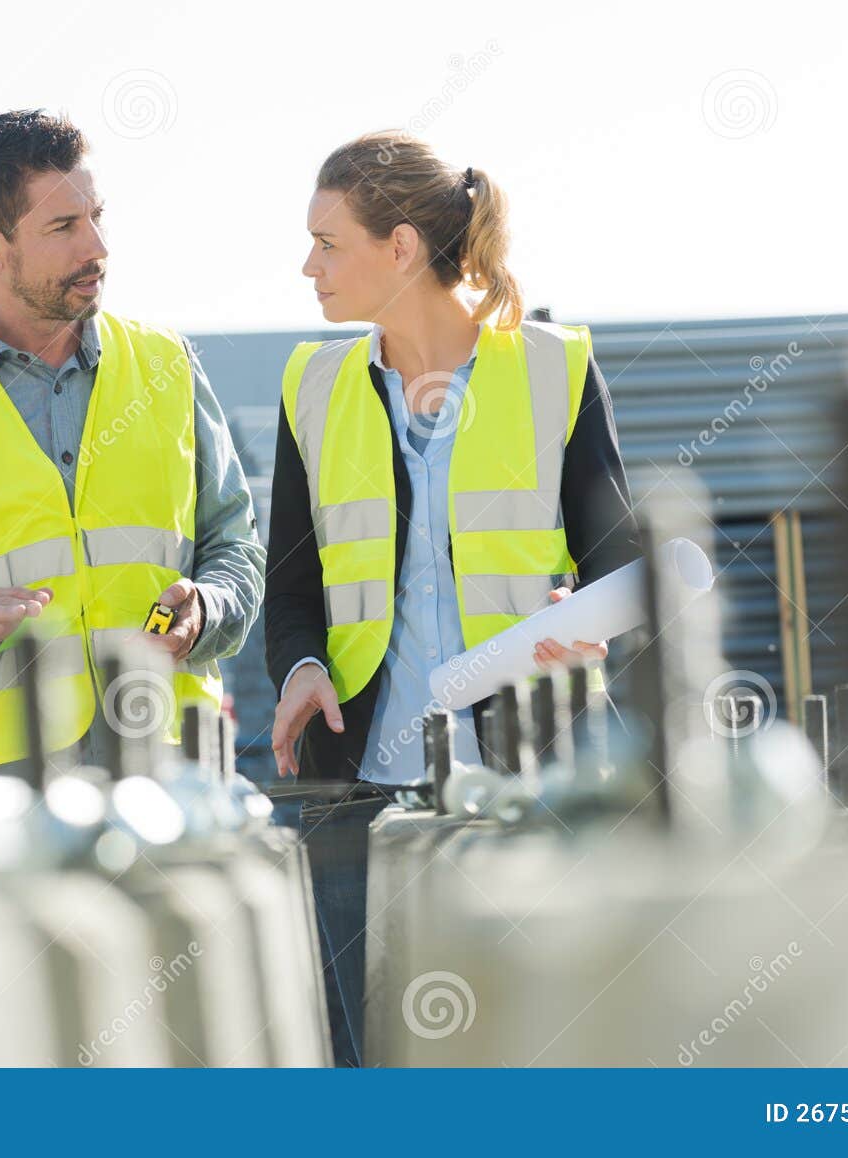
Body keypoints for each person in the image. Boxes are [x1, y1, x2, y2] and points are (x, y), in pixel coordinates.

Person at [264, 131, 641, 1064]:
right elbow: (291, 576)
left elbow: (621, 569)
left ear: (399, 249)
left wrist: (595, 639)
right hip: (354, 779)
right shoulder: (312, 385)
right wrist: (303, 667)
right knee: (370, 1055)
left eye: (327, 242)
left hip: (530, 778)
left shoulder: (553, 368)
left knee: (530, 1049)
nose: (307, 265)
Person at [0, 109, 264, 775]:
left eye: (96, 215)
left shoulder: (167, 365)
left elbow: (234, 545)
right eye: (63, 226)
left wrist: (210, 608)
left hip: (171, 772)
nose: (96, 246)